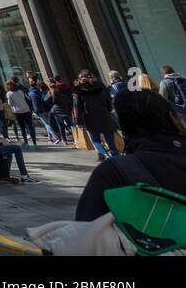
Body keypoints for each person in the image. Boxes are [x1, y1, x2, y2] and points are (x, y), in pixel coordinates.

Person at [74, 90, 186, 221]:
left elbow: (87, 230)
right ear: (174, 118)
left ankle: (108, 153)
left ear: (124, 128)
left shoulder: (113, 172)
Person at [74, 71, 120, 159]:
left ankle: (105, 154)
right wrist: (109, 110)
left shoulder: (78, 90)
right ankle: (115, 156)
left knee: (96, 139)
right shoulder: (100, 86)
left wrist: (78, 121)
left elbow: (77, 107)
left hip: (90, 117)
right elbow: (108, 99)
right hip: (104, 114)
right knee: (110, 139)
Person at [5, 79, 38, 147]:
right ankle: (35, 143)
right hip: (26, 110)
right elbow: (25, 99)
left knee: (22, 128)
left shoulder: (9, 93)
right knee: (30, 127)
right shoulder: (20, 91)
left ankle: (26, 143)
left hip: (18, 112)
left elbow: (10, 104)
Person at [49, 77, 74, 143]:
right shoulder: (64, 95)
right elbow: (69, 102)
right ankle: (76, 138)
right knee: (71, 125)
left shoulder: (53, 95)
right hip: (66, 111)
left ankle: (65, 140)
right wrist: (70, 109)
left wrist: (50, 93)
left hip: (57, 112)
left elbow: (45, 100)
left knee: (61, 126)